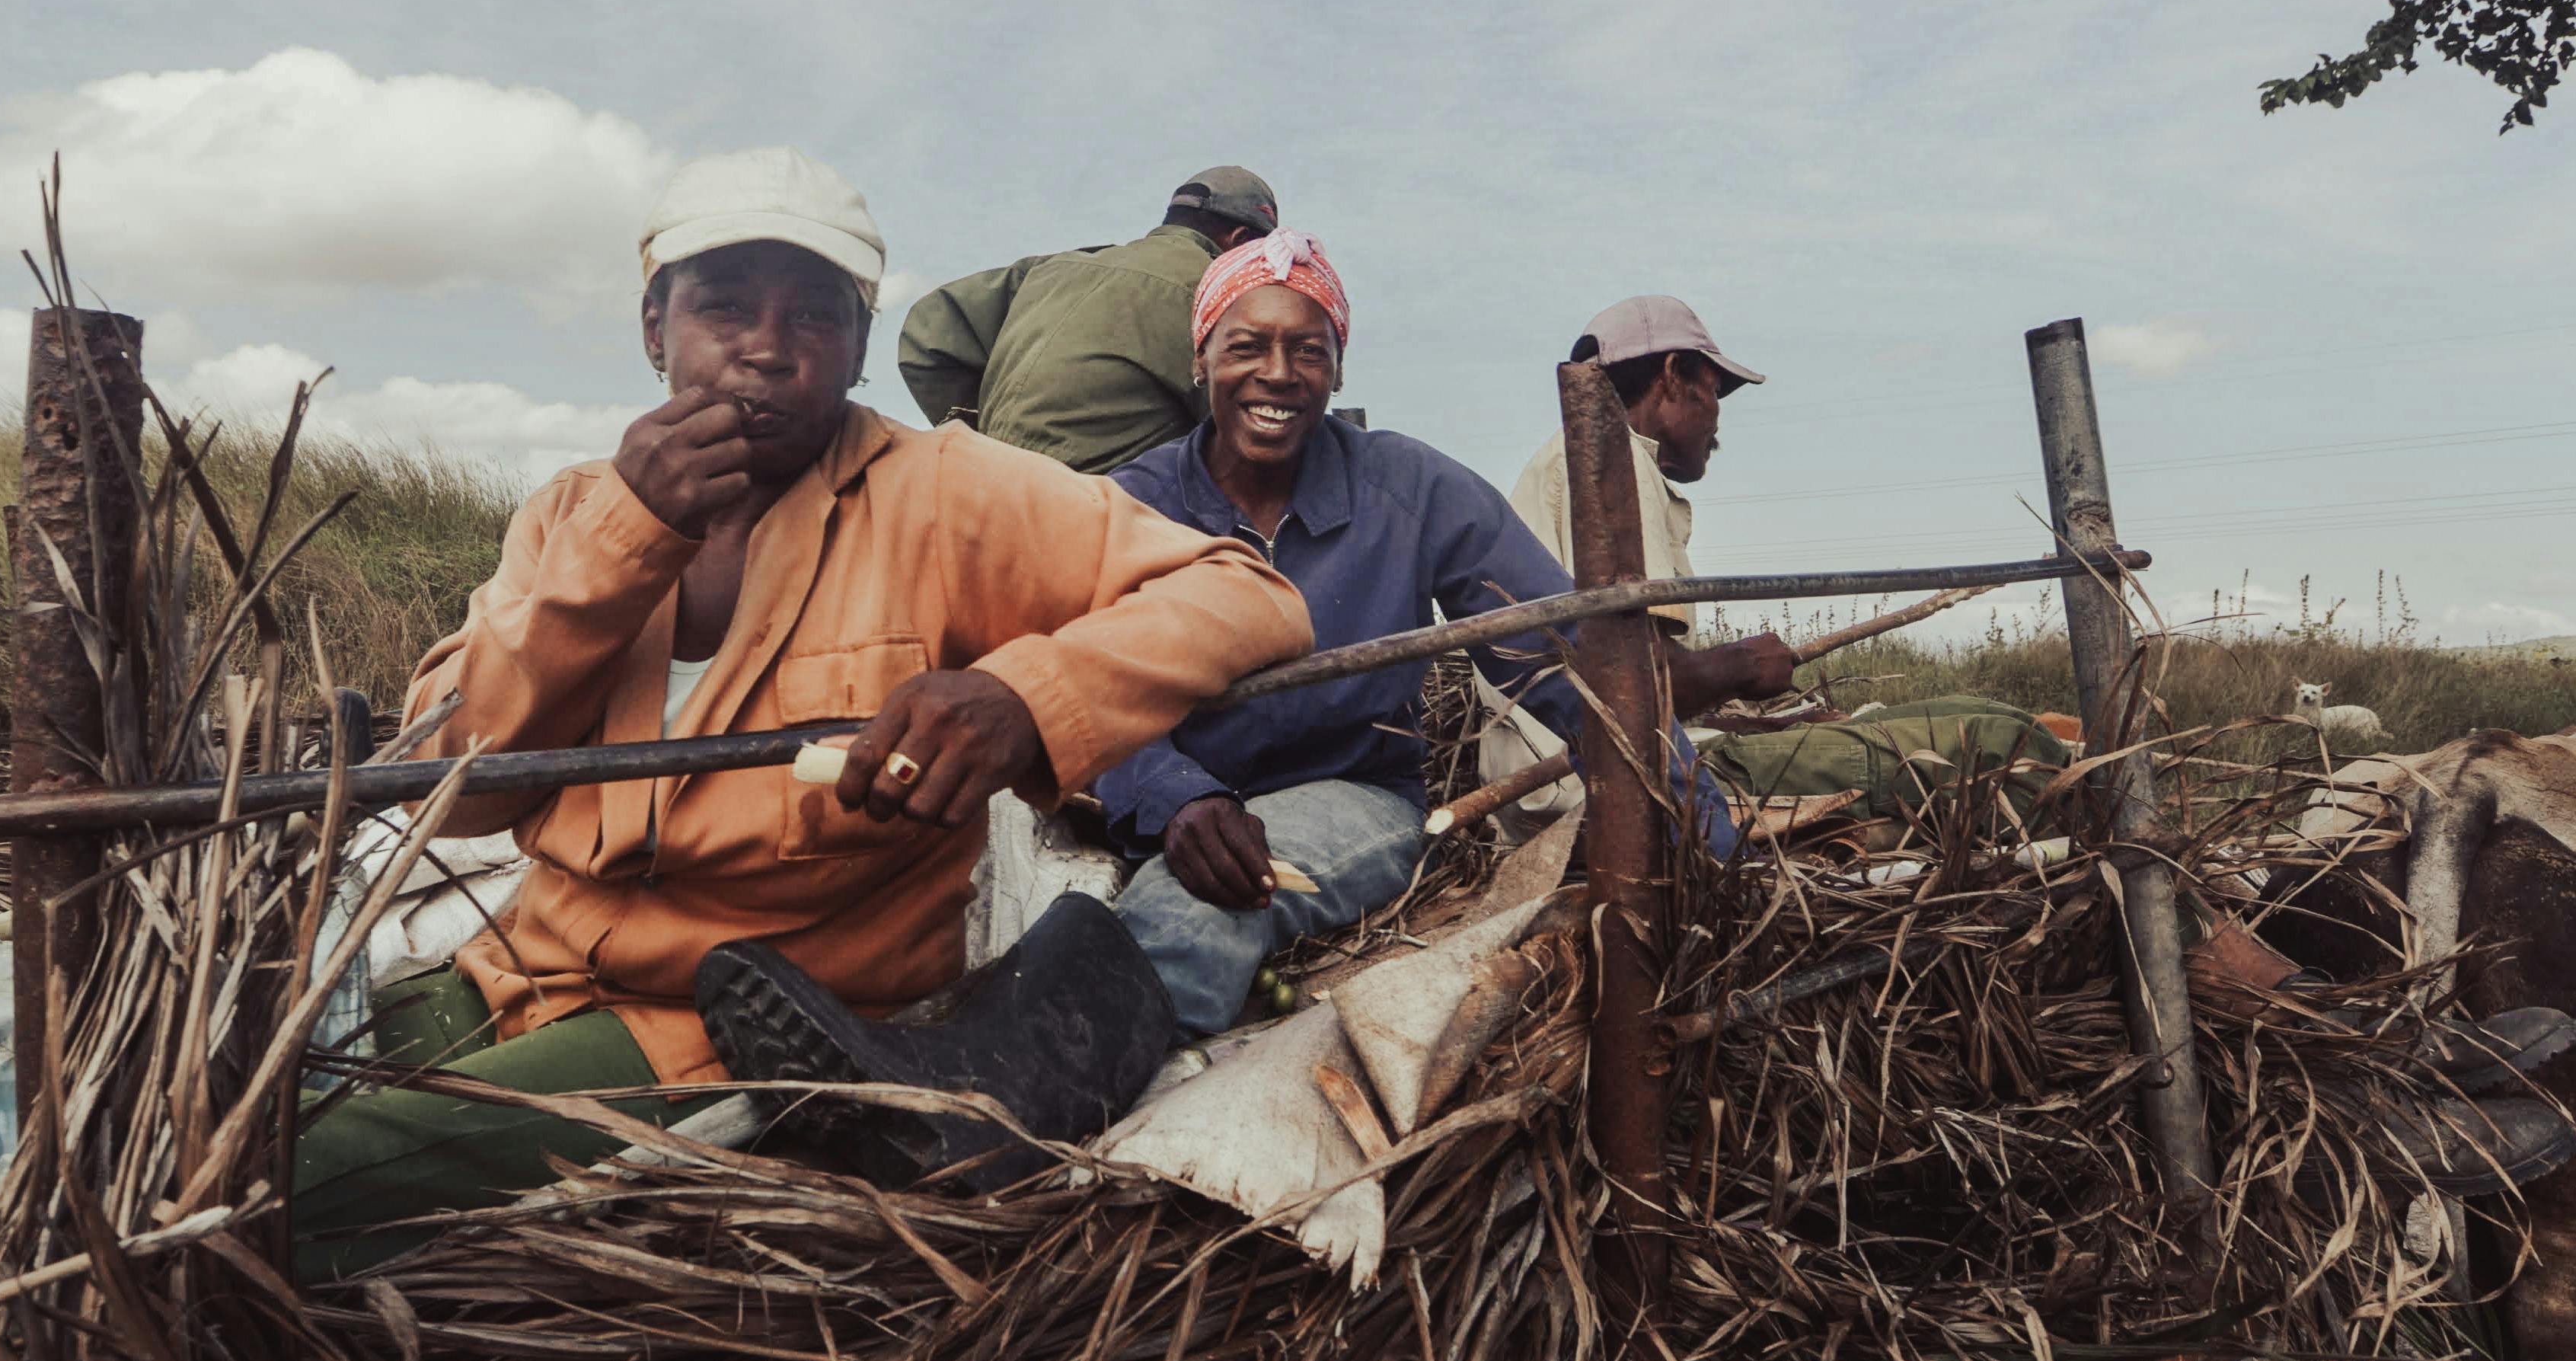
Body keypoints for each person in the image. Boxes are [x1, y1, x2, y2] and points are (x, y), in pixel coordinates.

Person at [289, 146, 1311, 1265]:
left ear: (861, 345)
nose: (767, 349)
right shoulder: (571, 511)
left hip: (737, 1031)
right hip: (522, 970)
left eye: (815, 316)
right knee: (238, 1092)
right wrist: (624, 544)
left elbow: (1241, 590)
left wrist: (1026, 698)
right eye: (724, 306)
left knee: (287, 1189)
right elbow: (460, 787)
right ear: (653, 329)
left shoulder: (945, 493)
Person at [1087, 232, 1729, 1038]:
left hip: (1352, 796)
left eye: (1308, 351)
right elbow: (1082, 689)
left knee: (1195, 905)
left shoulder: (1409, 486)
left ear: (1339, 369)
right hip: (1186, 797)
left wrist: (1702, 824)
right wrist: (1175, 796)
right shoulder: (1131, 505)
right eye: (1245, 346)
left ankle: (1051, 1109)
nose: (1277, 374)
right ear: (1201, 358)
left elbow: (1561, 659)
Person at [1508, 296, 1796, 715]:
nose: (1716, 419)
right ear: (1673, 376)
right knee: (1904, 736)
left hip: (1581, 755)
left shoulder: (1575, 456)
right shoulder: (1613, 460)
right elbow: (1641, 680)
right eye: (1713, 390)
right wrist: (1747, 664)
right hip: (1591, 772)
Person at [895, 165, 1281, 473]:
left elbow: (928, 333)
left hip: (987, 495)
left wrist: (985, 438)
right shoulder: (1215, 292)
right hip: (1100, 525)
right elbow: (1253, 435)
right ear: (1240, 241)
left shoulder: (1055, 267)